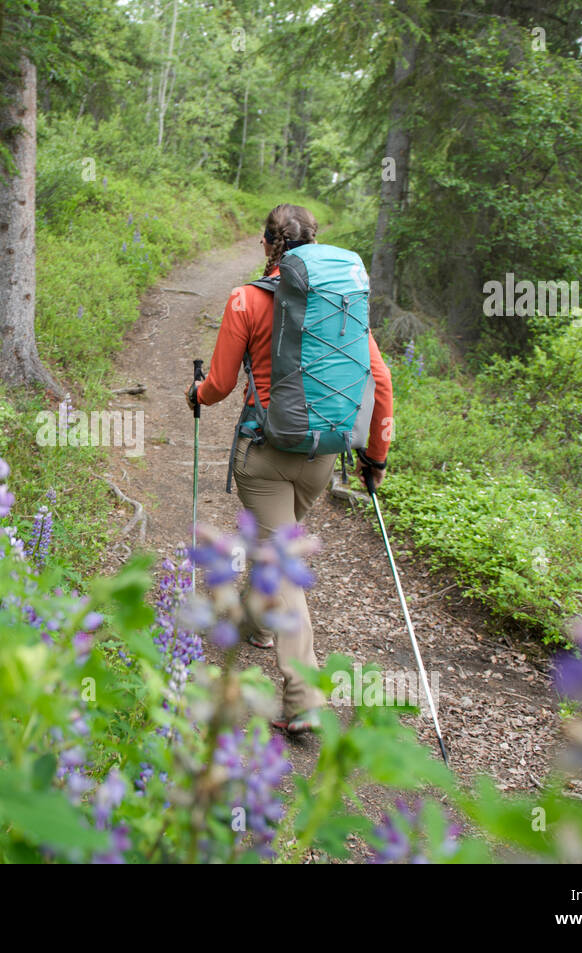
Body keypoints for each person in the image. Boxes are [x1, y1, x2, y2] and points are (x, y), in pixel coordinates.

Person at [185, 203, 394, 735]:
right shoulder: (340, 302)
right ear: (316, 244)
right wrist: (375, 458)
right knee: (276, 547)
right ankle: (258, 625)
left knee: (282, 567)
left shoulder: (244, 299)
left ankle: (304, 697)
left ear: (266, 245)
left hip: (266, 455)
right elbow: (382, 381)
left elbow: (221, 384)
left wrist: (196, 392)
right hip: (324, 456)